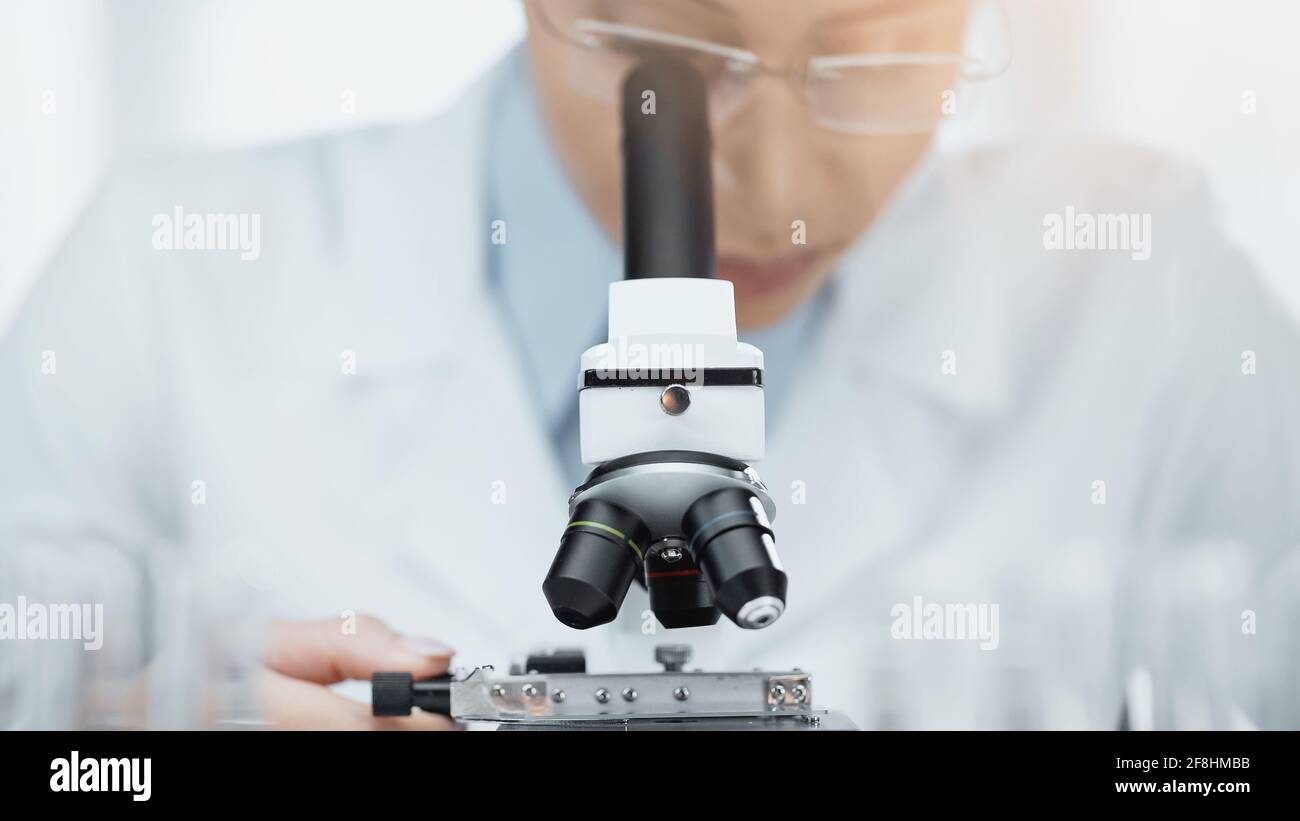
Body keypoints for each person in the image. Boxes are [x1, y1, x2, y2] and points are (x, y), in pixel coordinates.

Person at [2, 0, 1298, 730]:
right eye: (676, 61)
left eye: (869, 59)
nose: (777, 188)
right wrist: (142, 742)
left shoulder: (1142, 300)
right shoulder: (161, 278)